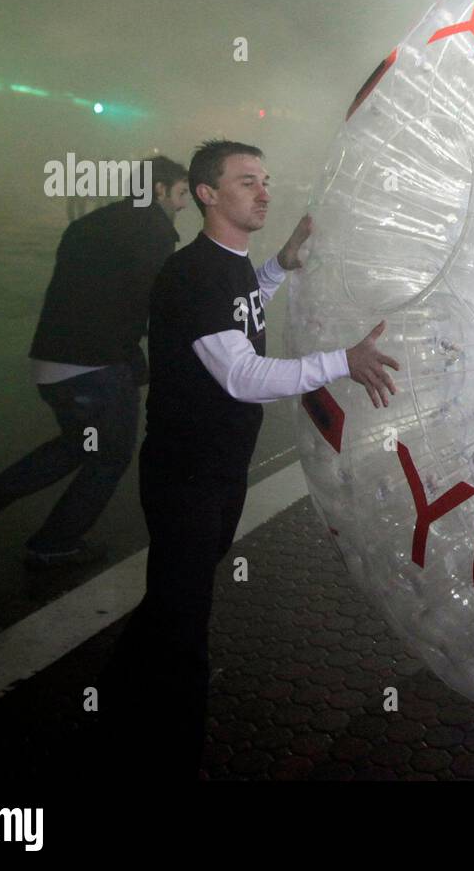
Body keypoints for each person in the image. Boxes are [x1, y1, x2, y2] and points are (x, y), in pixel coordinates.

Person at [98, 139, 399, 779]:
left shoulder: (230, 263)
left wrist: (278, 267)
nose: (264, 192)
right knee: (185, 626)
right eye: (245, 182)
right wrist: (342, 362)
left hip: (218, 466)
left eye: (265, 180)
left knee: (174, 598)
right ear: (207, 194)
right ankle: (170, 758)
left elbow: (239, 305)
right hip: (187, 472)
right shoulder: (190, 273)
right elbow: (240, 373)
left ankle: (120, 696)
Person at [0, 158, 190, 567]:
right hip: (96, 366)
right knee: (110, 456)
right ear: (160, 190)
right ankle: (54, 544)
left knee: (78, 444)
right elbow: (151, 302)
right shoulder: (153, 230)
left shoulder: (90, 223)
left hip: (50, 361)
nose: (183, 205)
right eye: (181, 194)